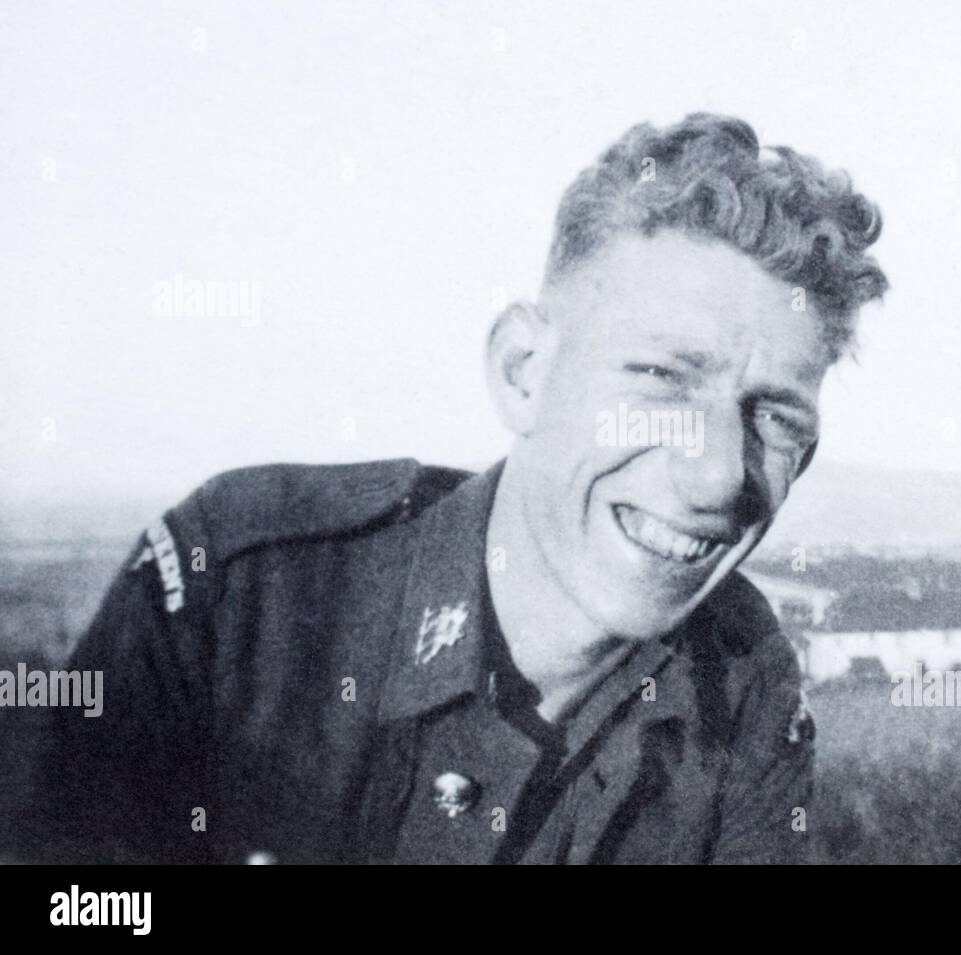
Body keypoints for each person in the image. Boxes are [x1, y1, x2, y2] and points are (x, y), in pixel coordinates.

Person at [28, 113, 887, 864]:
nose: (718, 475)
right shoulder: (240, 594)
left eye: (774, 418)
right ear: (522, 373)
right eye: (662, 376)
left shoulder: (741, 683)